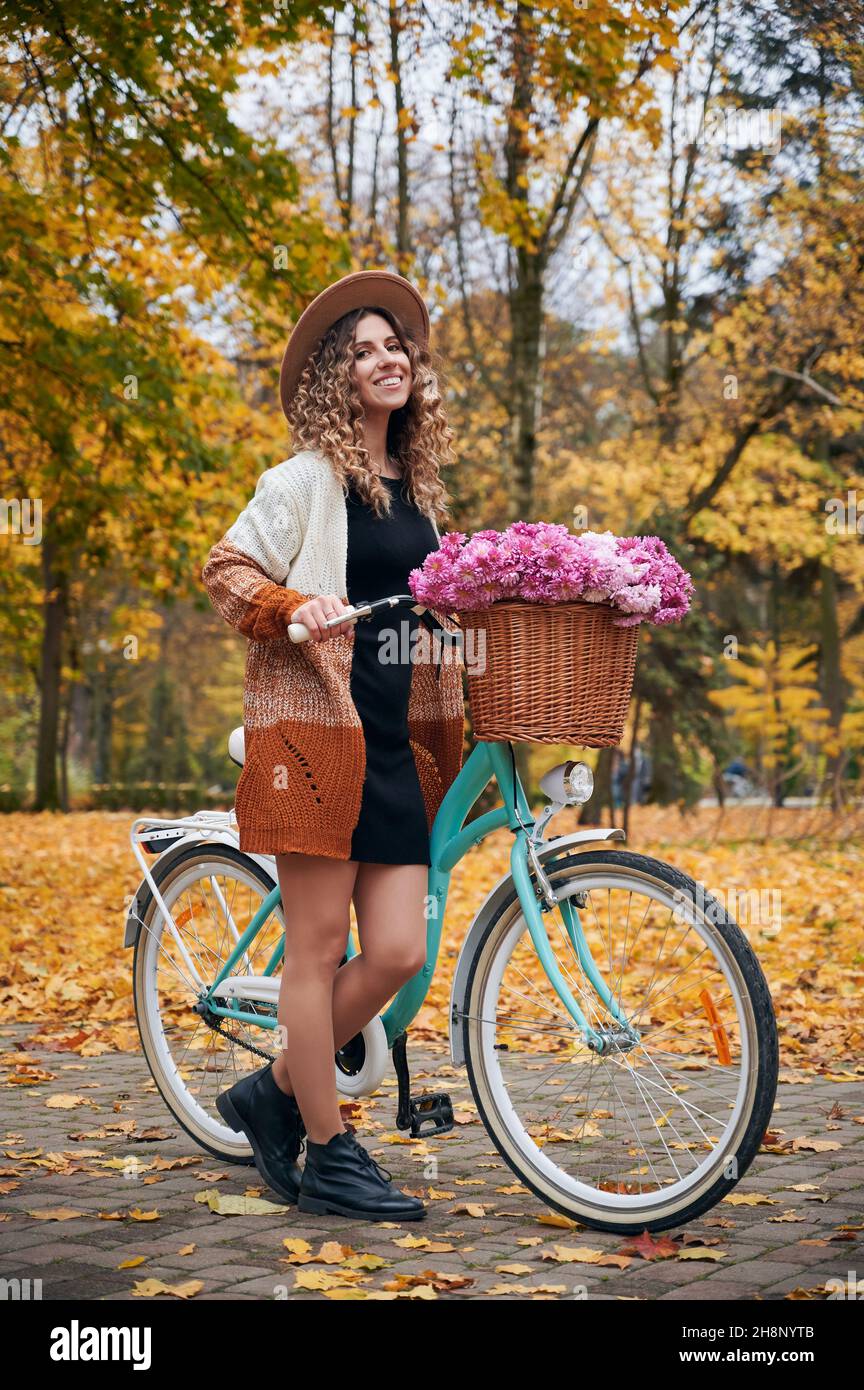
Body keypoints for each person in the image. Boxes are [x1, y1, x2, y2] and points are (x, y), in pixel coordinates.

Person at [201, 270, 465, 1221]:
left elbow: (436, 616)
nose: (385, 358)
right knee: (315, 951)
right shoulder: (304, 481)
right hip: (315, 740)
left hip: (394, 745)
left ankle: (272, 1093)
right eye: (361, 349)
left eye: (393, 344)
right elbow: (226, 570)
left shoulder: (422, 493)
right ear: (334, 377)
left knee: (395, 951)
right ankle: (329, 1150)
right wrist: (290, 606)